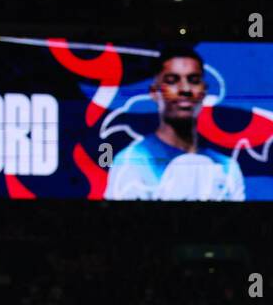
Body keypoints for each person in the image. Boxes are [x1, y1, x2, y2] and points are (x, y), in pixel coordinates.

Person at [103, 46, 245, 202]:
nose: (185, 89)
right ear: (154, 92)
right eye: (172, 80)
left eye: (194, 80)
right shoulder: (131, 163)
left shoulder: (228, 168)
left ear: (204, 91)